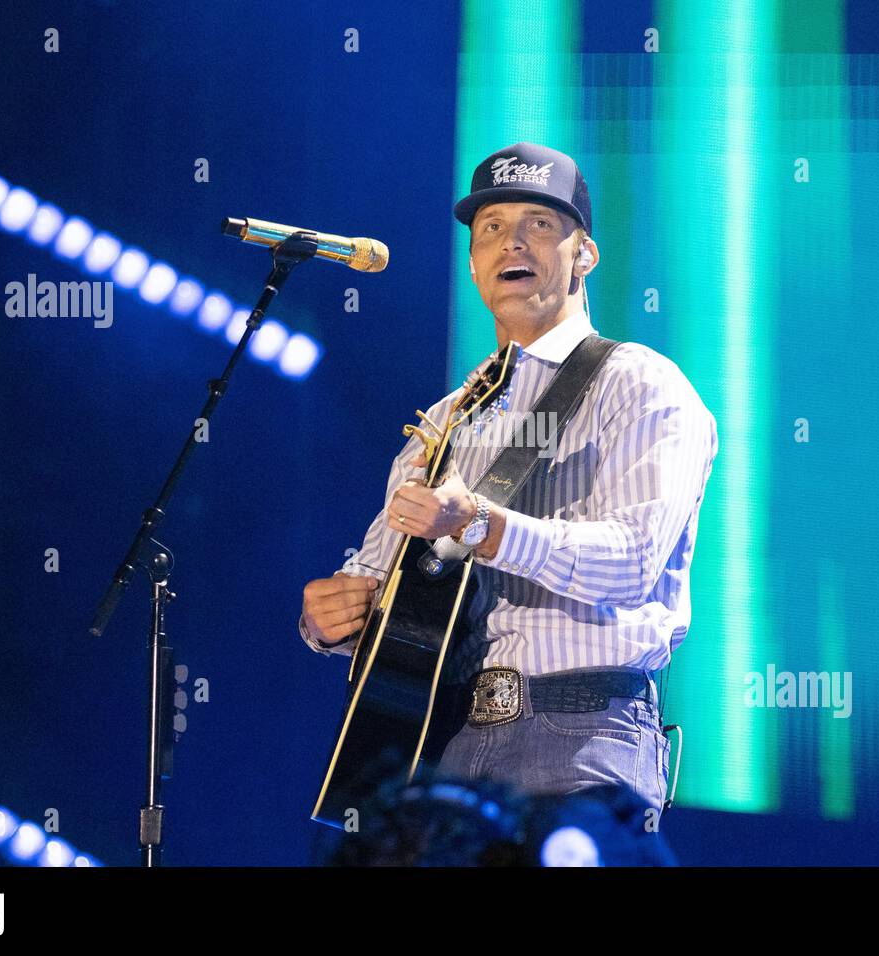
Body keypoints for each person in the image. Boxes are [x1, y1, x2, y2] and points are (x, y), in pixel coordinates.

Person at [299, 142, 717, 815]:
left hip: (582, 737)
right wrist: (332, 617)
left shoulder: (641, 385)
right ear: (472, 262)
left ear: (584, 254)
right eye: (490, 227)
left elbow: (633, 562)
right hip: (444, 747)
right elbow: (381, 583)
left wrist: (480, 524)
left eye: (539, 224)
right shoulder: (442, 422)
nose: (510, 241)